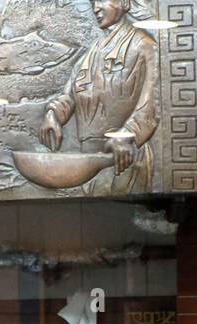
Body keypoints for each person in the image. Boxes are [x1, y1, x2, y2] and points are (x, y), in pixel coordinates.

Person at [39, 0, 157, 196]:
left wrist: (128, 135)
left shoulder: (144, 46)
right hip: (88, 161)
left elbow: (152, 104)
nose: (95, 8)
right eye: (93, 2)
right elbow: (69, 95)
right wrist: (53, 114)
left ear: (124, 2)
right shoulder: (92, 52)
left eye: (102, 0)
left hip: (123, 158)